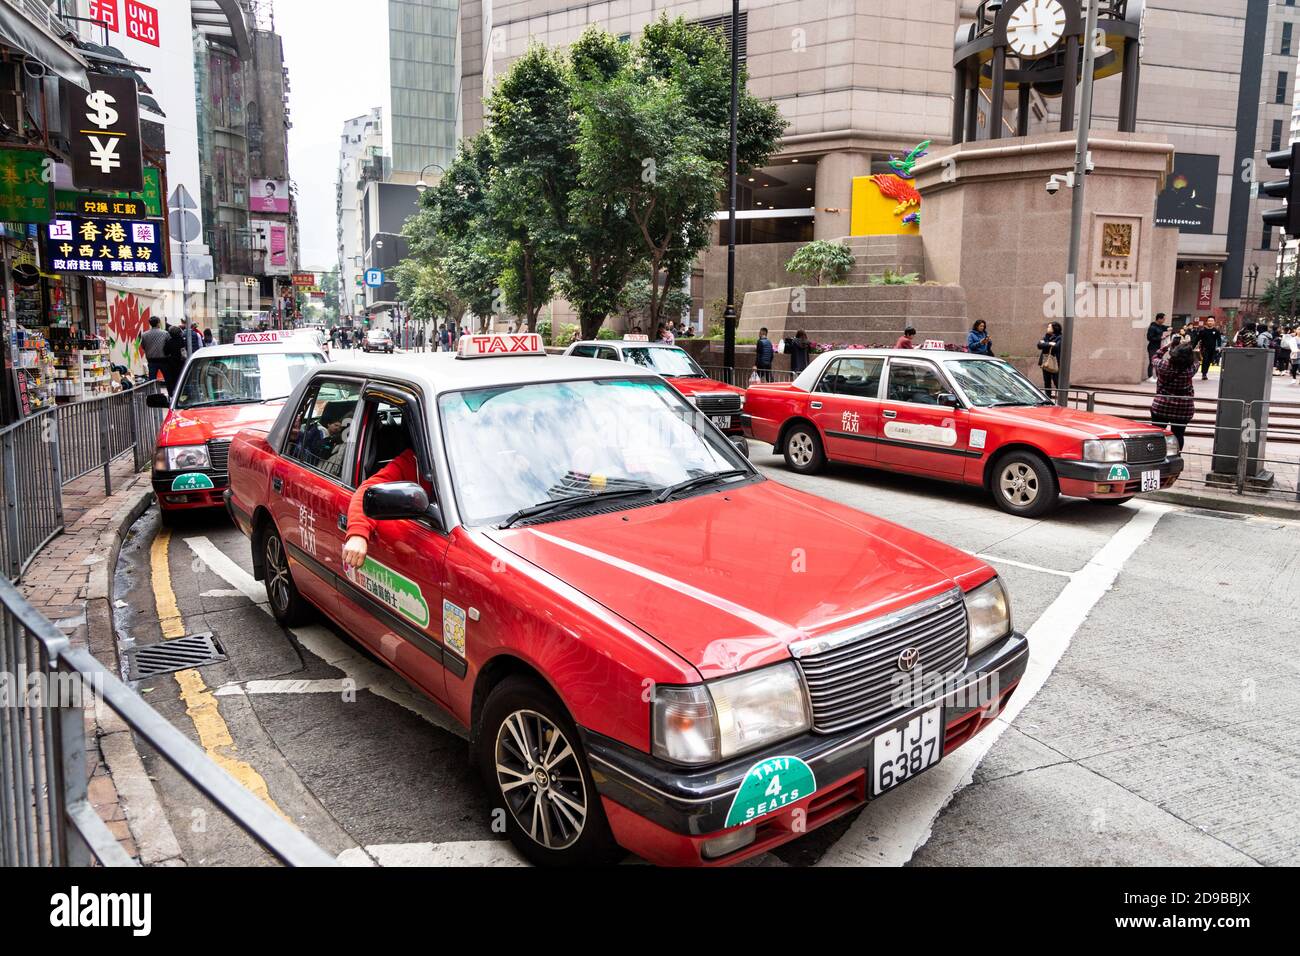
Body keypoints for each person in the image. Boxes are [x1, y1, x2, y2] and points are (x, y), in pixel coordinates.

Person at [1150, 341, 1196, 452]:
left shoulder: (1163, 365)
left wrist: (1168, 345)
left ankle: (1156, 455)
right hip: (1183, 407)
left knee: (1158, 434)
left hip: (1162, 405)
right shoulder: (1191, 369)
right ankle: (1176, 455)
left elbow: (1155, 357)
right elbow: (1196, 361)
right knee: (1179, 434)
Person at [141, 315, 168, 384]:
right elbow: (168, 345)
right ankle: (171, 393)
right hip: (163, 359)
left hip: (151, 360)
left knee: (152, 380)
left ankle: (153, 394)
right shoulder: (165, 333)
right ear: (158, 323)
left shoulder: (144, 335)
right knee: (167, 378)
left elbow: (143, 346)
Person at [1037, 322, 1062, 392]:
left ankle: (1061, 398)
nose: (1047, 328)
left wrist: (1044, 344)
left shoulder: (1060, 337)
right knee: (1047, 383)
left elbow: (1056, 347)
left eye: (1049, 327)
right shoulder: (1046, 336)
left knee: (1057, 382)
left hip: (1055, 363)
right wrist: (1049, 343)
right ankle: (1048, 398)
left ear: (1054, 329)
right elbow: (1039, 345)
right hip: (1045, 362)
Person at [161, 325, 187, 395]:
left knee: (174, 380)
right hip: (182, 363)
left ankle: (175, 394)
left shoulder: (169, 342)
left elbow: (165, 352)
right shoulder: (183, 341)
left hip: (172, 364)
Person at [1145, 312, 1167, 381]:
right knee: (1152, 362)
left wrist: (1169, 328)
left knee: (1159, 363)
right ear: (1159, 319)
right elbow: (1149, 338)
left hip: (1159, 347)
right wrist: (1161, 338)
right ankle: (1150, 377)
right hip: (1152, 347)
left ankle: (1158, 377)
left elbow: (1166, 327)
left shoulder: (1161, 326)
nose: (1164, 321)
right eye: (1163, 319)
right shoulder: (1152, 327)